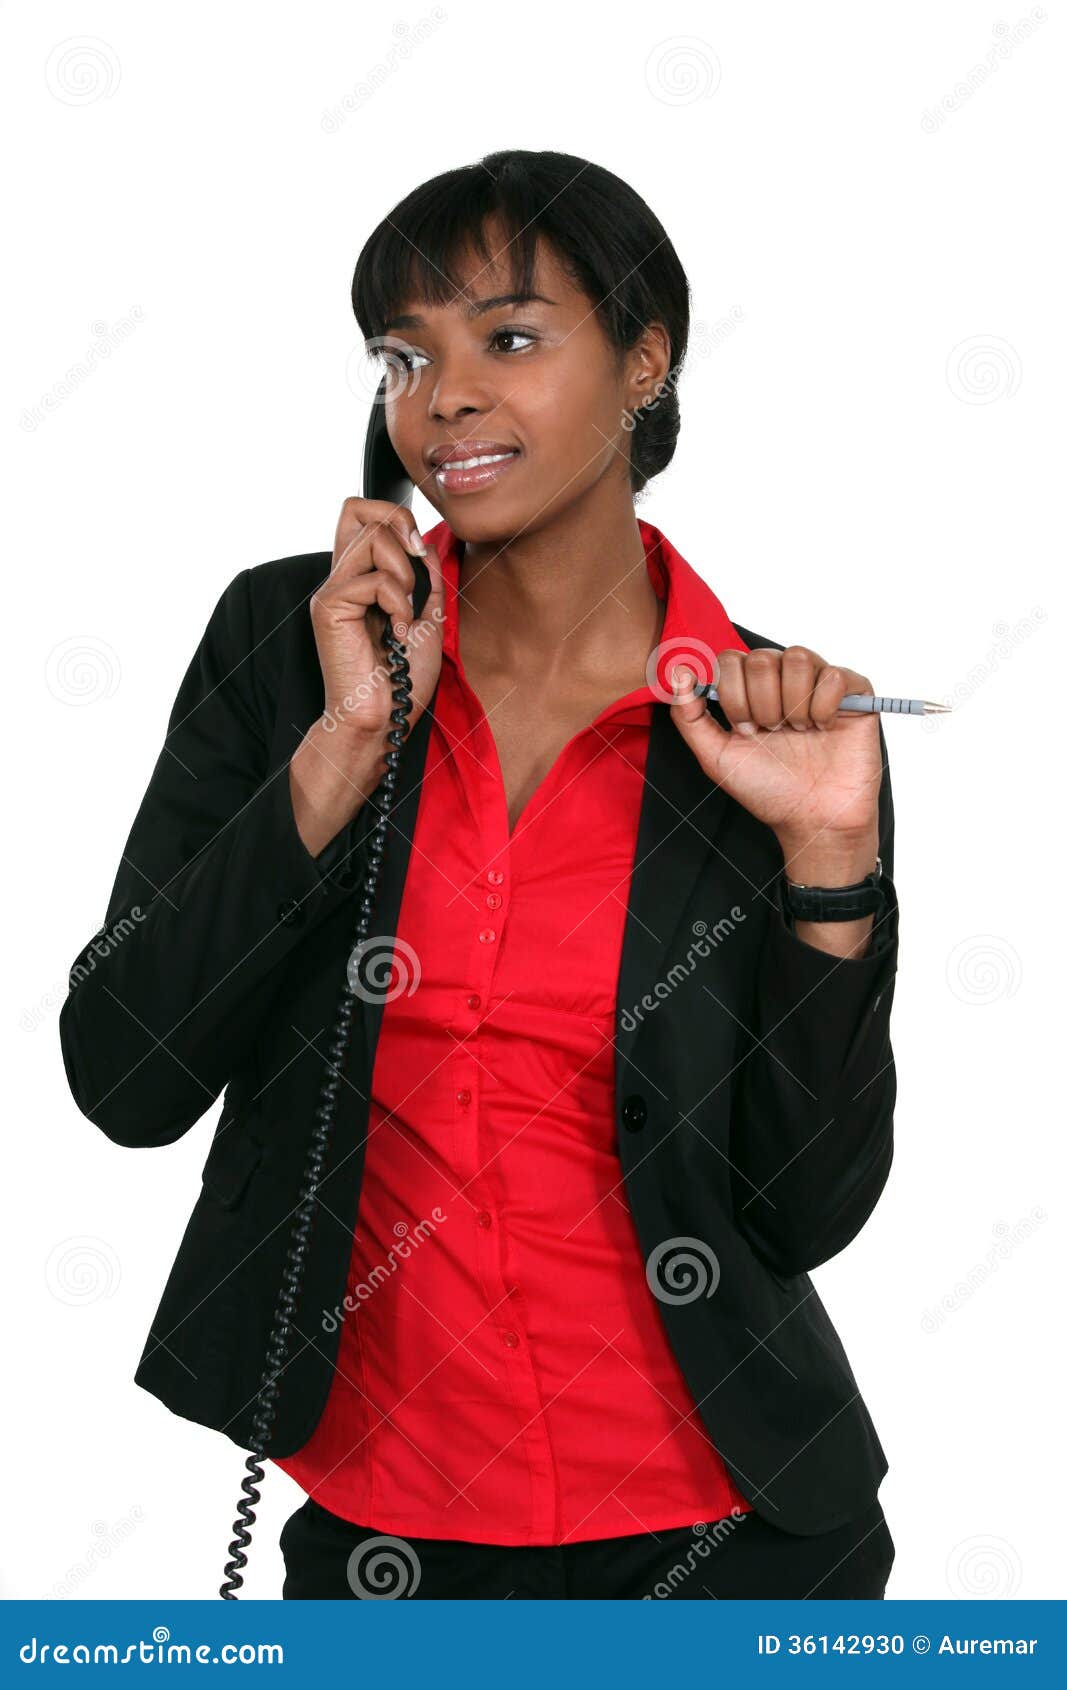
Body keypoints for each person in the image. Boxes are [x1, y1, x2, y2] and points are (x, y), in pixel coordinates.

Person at [59, 150, 900, 1600]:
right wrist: (344, 747)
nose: (441, 394)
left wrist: (832, 863)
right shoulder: (289, 647)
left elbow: (806, 1205)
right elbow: (124, 1072)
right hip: (392, 1542)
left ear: (646, 362)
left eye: (510, 337)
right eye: (405, 354)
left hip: (738, 1543)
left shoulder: (770, 723)